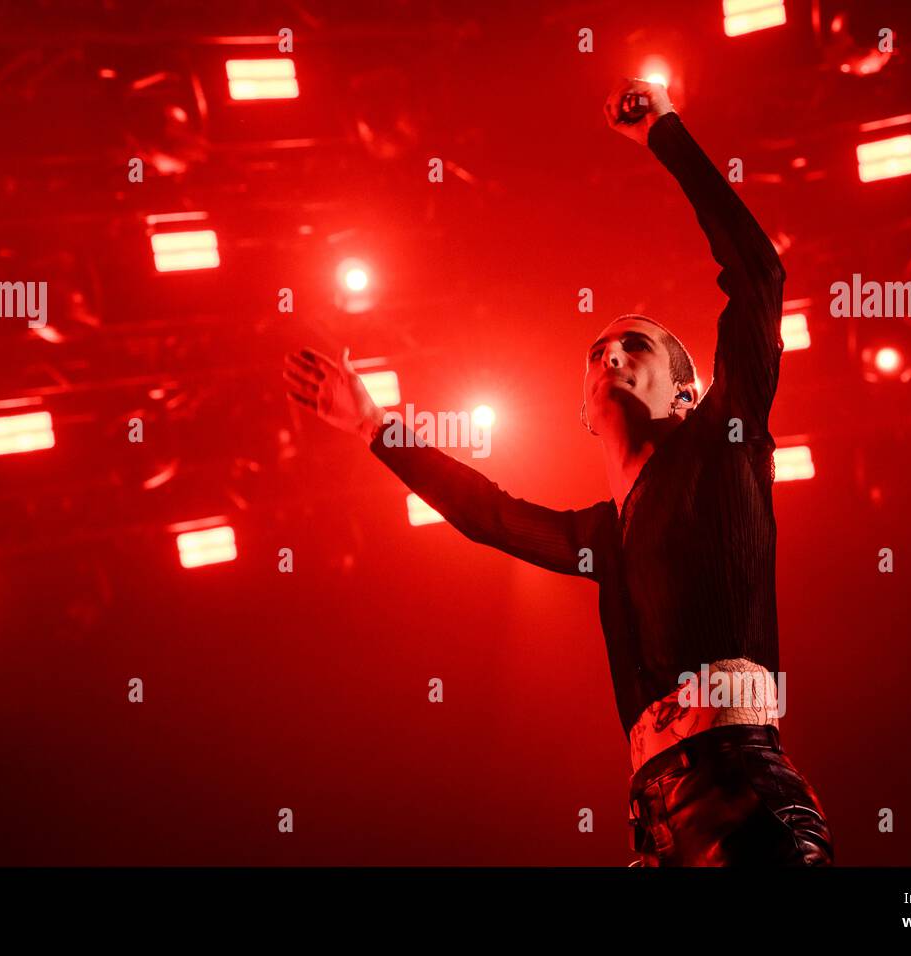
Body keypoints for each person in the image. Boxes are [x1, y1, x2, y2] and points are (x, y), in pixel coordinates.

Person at [283, 79, 833, 866]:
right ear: (582, 410)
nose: (610, 354)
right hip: (657, 821)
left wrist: (666, 135)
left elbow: (759, 280)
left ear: (687, 392)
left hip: (742, 798)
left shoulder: (726, 443)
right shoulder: (603, 538)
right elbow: (489, 515)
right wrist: (373, 426)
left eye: (636, 346)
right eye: (596, 353)